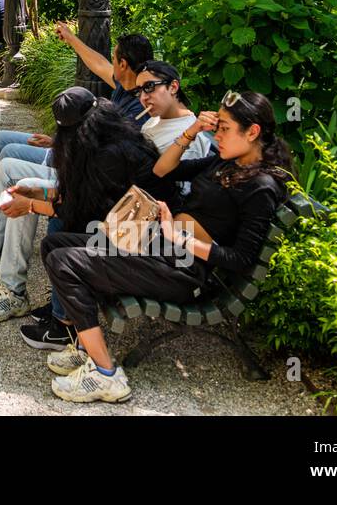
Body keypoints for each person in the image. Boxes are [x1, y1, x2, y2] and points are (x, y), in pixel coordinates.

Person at [41, 91, 292, 403]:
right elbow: (162, 171)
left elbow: (240, 259)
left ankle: (106, 375)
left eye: (224, 128)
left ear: (252, 131)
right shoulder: (224, 162)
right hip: (160, 249)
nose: (217, 134)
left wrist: (178, 237)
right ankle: (85, 349)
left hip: (184, 271)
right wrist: (192, 131)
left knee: (65, 262)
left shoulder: (260, 187)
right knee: (55, 244)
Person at [16, 60, 216, 347]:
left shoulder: (109, 152)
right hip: (135, 220)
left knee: (63, 227)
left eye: (150, 87)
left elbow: (83, 208)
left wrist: (33, 205)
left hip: (151, 236)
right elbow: (89, 198)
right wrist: (43, 196)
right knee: (61, 221)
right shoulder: (115, 135)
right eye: (140, 90)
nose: (143, 96)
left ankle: (65, 326)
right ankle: (62, 315)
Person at [0, 88, 158, 322]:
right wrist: (37, 193)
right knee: (25, 185)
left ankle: (31, 302)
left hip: (134, 238)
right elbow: (79, 195)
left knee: (35, 204)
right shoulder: (107, 136)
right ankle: (11, 287)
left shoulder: (108, 155)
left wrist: (30, 204)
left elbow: (77, 209)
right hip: (115, 219)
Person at [54, 22, 152, 123]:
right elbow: (99, 64)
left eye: (113, 59)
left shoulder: (140, 108)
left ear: (123, 64)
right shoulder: (127, 84)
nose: (111, 63)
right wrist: (70, 37)